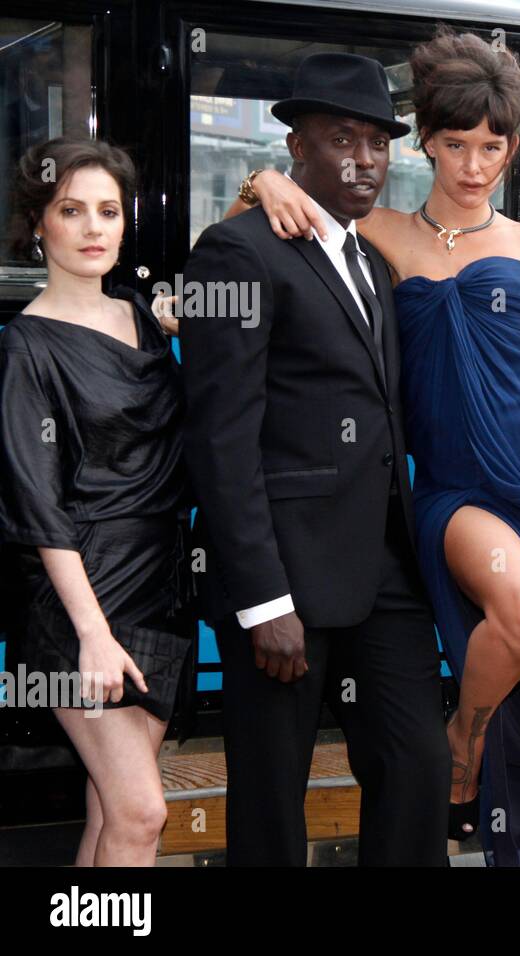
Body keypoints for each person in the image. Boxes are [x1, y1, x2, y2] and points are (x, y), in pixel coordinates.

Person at [227, 29, 520, 866]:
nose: (474, 164)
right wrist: (264, 181)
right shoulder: (378, 236)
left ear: (511, 148)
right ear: (425, 140)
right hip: (459, 491)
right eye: (456, 144)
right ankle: (464, 738)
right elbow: (238, 243)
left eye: (493, 147)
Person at [181, 52, 449, 866]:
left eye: (378, 142)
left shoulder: (371, 260)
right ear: (298, 147)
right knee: (271, 795)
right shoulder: (237, 253)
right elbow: (221, 438)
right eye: (342, 139)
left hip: (384, 574)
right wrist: (264, 603)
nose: (364, 160)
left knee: (416, 764)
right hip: (285, 581)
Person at [0, 137, 194, 866]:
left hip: (161, 586)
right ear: (39, 224)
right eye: (71, 210)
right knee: (144, 813)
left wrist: (259, 186)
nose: (92, 228)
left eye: (107, 211)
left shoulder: (145, 317)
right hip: (78, 601)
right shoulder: (26, 347)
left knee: (112, 815)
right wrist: (91, 633)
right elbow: (34, 500)